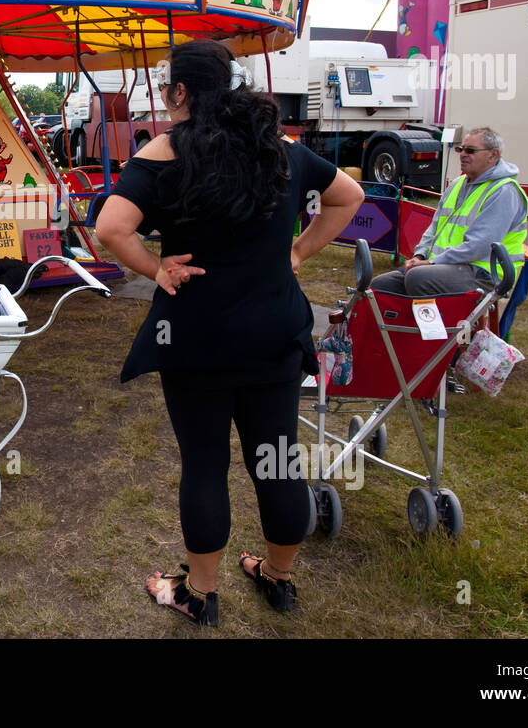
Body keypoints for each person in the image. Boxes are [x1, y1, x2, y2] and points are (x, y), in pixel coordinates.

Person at [95, 40, 364, 624]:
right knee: (278, 458)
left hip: (197, 337)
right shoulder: (280, 149)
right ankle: (280, 579)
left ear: (182, 92)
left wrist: (155, 268)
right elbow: (349, 197)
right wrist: (299, 251)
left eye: (167, 89)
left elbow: (110, 228)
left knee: (205, 462)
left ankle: (200, 593)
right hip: (275, 332)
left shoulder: (164, 152)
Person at [370, 127, 527, 296]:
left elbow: (479, 246)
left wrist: (432, 262)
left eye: (471, 150)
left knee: (417, 277)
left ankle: (431, 321)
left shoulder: (503, 191)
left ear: (493, 155)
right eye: (461, 149)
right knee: (380, 285)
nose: (463, 154)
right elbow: (434, 228)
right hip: (446, 266)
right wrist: (420, 255)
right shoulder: (457, 184)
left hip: (485, 273)